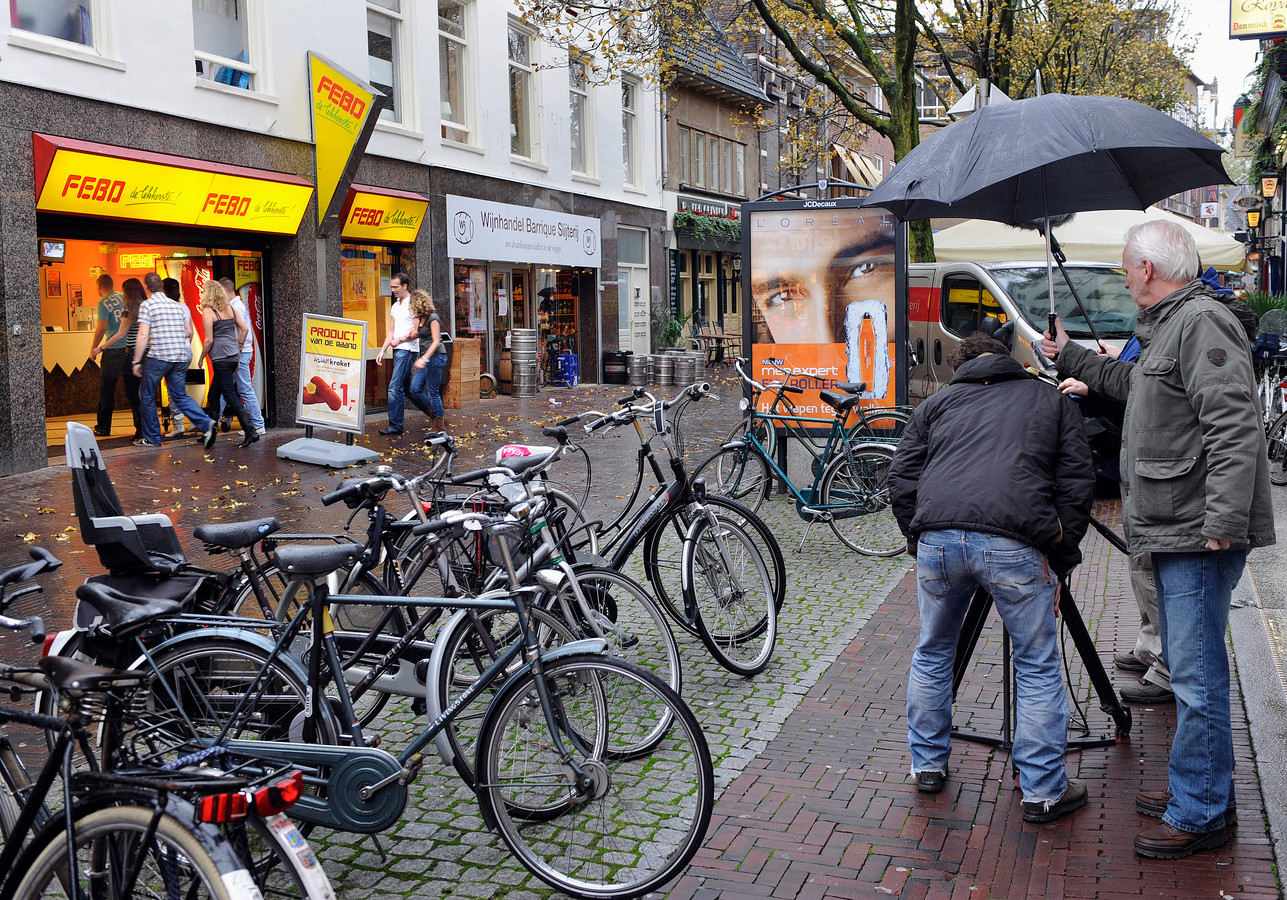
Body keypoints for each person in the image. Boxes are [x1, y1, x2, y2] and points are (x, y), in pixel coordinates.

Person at [1040, 219, 1275, 859]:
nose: (1122, 275)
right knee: (1189, 670)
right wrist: (1071, 356)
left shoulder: (1200, 324)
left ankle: (1200, 811)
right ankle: (1196, 790)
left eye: (1124, 266)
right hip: (1180, 528)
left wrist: (1224, 524)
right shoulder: (1172, 326)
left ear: (1147, 268)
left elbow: (1233, 426)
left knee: (1196, 679)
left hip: (1198, 532)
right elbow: (1130, 387)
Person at [889, 332, 1095, 824]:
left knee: (933, 651)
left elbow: (901, 476)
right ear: (1008, 361)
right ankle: (1043, 791)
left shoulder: (936, 405)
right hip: (1016, 540)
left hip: (939, 537)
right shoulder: (1049, 399)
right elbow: (1076, 481)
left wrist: (921, 540)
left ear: (960, 365)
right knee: (1037, 663)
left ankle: (927, 767)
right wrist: (1061, 553)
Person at [131, 272, 217, 449]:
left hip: (158, 357)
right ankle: (205, 423)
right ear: (162, 288)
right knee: (179, 396)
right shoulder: (177, 306)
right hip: (179, 357)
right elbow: (187, 332)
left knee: (146, 396)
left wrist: (136, 361)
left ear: (147, 288)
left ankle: (153, 438)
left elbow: (142, 334)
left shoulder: (148, 305)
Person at [196, 281, 257, 448]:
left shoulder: (209, 312)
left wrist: (201, 357)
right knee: (214, 395)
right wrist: (238, 348)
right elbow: (244, 329)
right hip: (233, 357)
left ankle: (251, 431)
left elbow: (209, 340)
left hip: (220, 358)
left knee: (230, 395)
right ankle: (210, 432)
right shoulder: (230, 309)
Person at [97, 277, 147, 440]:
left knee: (129, 394)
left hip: (130, 353)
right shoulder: (147, 306)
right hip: (149, 354)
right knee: (144, 393)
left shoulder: (129, 308)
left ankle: (139, 430)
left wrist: (100, 347)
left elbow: (118, 333)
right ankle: (147, 429)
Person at [218, 277, 265, 438]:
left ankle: (258, 424)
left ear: (224, 290)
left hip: (240, 353)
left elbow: (241, 332)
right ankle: (211, 422)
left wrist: (236, 356)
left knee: (243, 389)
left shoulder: (235, 307)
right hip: (240, 353)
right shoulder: (236, 305)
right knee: (227, 388)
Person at [375, 272, 420, 436]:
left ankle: (395, 426)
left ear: (405, 286)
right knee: (407, 389)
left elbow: (417, 331)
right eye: (392, 286)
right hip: (399, 349)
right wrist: (382, 349)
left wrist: (400, 340)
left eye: (395, 286)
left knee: (394, 388)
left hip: (407, 350)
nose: (392, 289)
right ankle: (433, 410)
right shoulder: (395, 306)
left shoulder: (413, 304)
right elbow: (391, 331)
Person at [87, 274, 126, 437]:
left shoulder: (103, 302)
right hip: (128, 348)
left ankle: (103, 427)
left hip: (112, 349)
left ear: (99, 285)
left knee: (107, 390)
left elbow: (102, 327)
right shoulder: (124, 298)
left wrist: (94, 348)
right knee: (134, 390)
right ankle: (140, 427)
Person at [410, 289, 448, 432]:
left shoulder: (433, 318)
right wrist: (400, 339)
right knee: (415, 388)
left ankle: (439, 427)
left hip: (436, 357)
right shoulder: (420, 319)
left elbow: (436, 341)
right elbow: (416, 333)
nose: (411, 308)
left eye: (413, 304)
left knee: (433, 391)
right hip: (426, 358)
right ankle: (435, 413)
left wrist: (424, 359)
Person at [160, 277, 190, 438]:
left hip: (173, 353)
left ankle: (179, 425)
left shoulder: (167, 308)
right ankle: (195, 419)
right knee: (179, 389)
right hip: (186, 352)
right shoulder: (184, 307)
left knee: (173, 391)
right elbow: (190, 333)